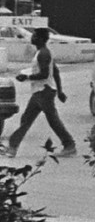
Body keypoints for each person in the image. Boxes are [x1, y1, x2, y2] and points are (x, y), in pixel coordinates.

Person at [8, 28, 77, 159]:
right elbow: (55, 71)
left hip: (43, 91)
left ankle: (69, 145)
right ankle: (12, 147)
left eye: (34, 36)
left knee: (50, 120)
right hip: (41, 92)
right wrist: (60, 91)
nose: (32, 38)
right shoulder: (43, 52)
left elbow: (45, 74)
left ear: (40, 38)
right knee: (27, 119)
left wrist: (26, 77)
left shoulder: (43, 54)